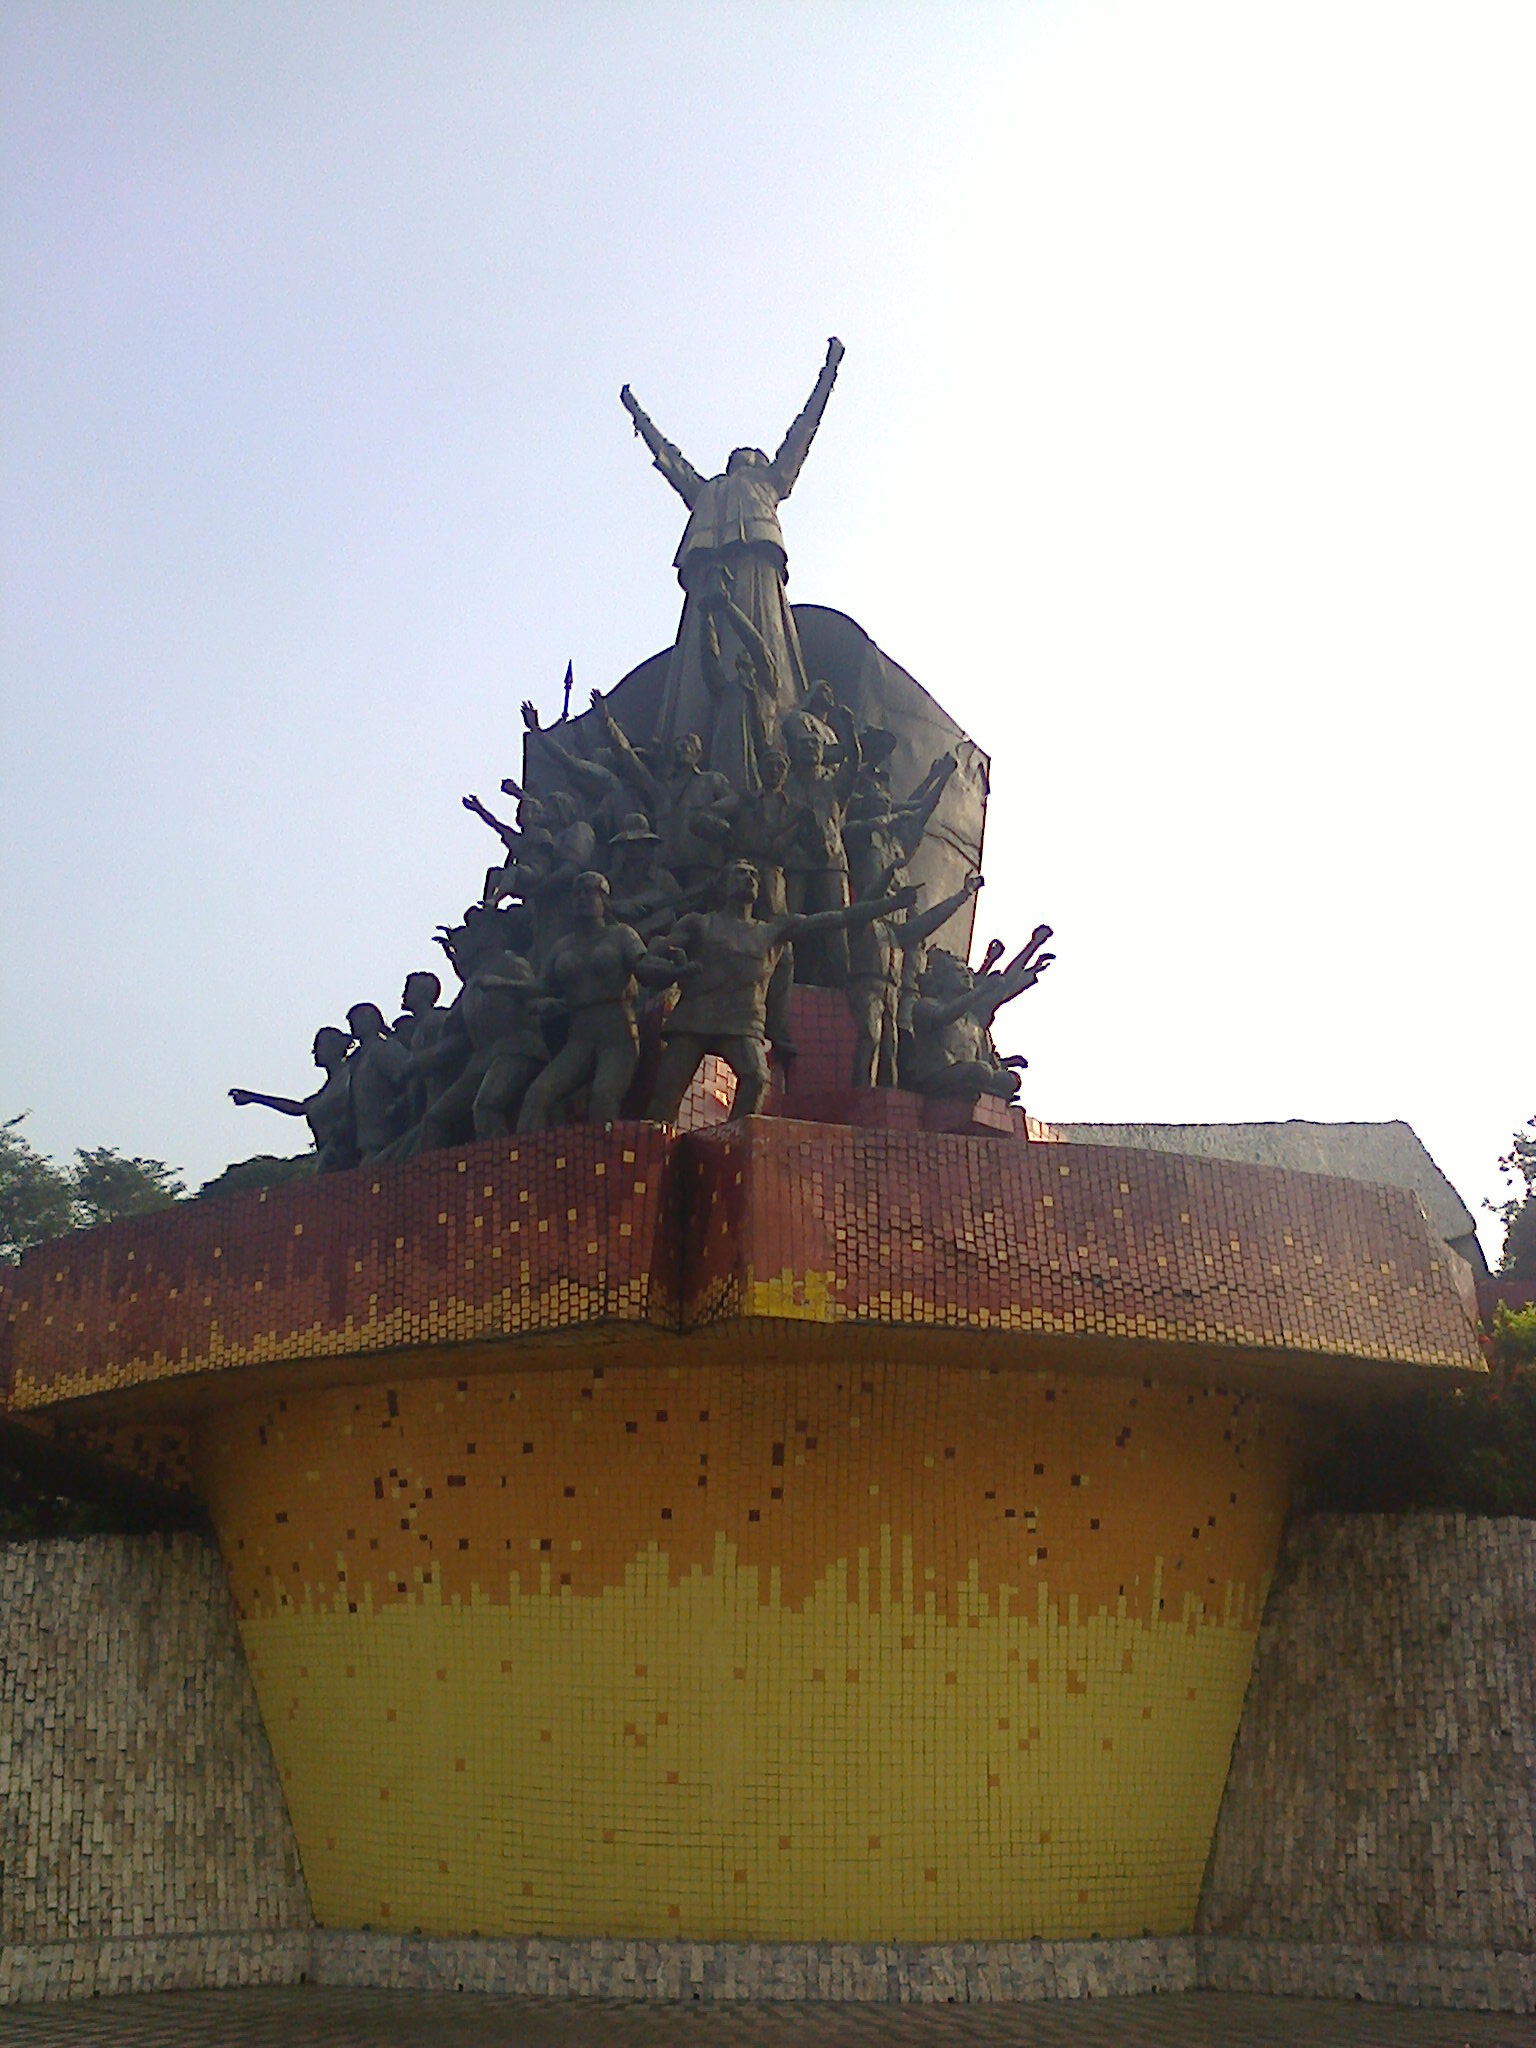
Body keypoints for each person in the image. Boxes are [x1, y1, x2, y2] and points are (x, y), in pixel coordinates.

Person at [620, 339, 843, 777]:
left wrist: (828, 372)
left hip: (757, 569)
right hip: (708, 573)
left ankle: (772, 743)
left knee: (763, 646)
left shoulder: (769, 482)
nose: (746, 454)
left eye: (754, 454)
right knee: (699, 660)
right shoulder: (707, 492)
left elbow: (802, 433)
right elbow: (671, 461)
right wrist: (638, 416)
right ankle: (692, 741)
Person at [646, 859, 917, 1125]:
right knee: (665, 1096)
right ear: (722, 887)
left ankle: (730, 1139)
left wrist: (889, 905)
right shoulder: (699, 924)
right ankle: (655, 1147)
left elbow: (837, 918)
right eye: (740, 874)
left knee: (756, 1078)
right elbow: (661, 949)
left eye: (753, 876)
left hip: (742, 1025)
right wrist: (672, 958)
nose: (749, 880)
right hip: (694, 1019)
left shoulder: (771, 931)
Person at [516, 871, 689, 1132]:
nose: (582, 899)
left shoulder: (621, 935)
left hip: (618, 1034)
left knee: (603, 1097)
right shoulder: (563, 946)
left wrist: (674, 972)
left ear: (605, 900)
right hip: (579, 1036)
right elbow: (541, 987)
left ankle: (603, 1166)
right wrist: (503, 986)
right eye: (576, 894)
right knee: (537, 1097)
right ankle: (528, 1167)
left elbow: (643, 966)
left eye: (590, 892)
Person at [901, 932, 1055, 1103]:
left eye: (967, 971)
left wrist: (1034, 944)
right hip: (936, 1078)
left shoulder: (973, 1017)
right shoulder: (925, 1005)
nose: (967, 976)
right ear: (942, 979)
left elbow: (1006, 982)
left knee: (1009, 1079)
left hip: (970, 1075)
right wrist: (981, 991)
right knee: (981, 1071)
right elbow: (944, 1017)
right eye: (959, 971)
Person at [229, 1026, 358, 1173]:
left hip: (347, 1156)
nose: (315, 1051)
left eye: (320, 1045)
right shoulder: (328, 1088)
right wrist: (253, 1097)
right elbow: (298, 1108)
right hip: (330, 1158)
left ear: (334, 1048)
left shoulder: (348, 1075)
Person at [343, 1003, 414, 1159]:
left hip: (387, 1135)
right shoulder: (355, 1060)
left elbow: (409, 1078)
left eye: (359, 1018)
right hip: (363, 1138)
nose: (354, 1024)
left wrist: (398, 1105)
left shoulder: (384, 1049)